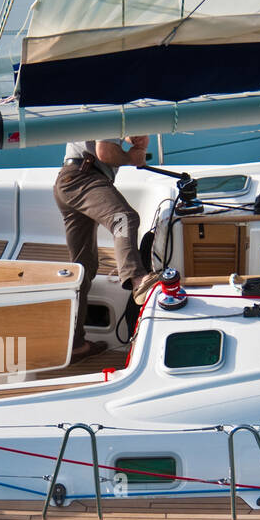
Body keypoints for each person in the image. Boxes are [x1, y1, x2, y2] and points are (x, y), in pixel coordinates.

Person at [53, 137, 161, 361]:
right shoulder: (111, 106)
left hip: (70, 179)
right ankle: (137, 279)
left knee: (82, 270)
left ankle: (74, 344)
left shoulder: (97, 108)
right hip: (85, 176)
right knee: (124, 218)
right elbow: (104, 152)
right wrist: (131, 157)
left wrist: (130, 138)